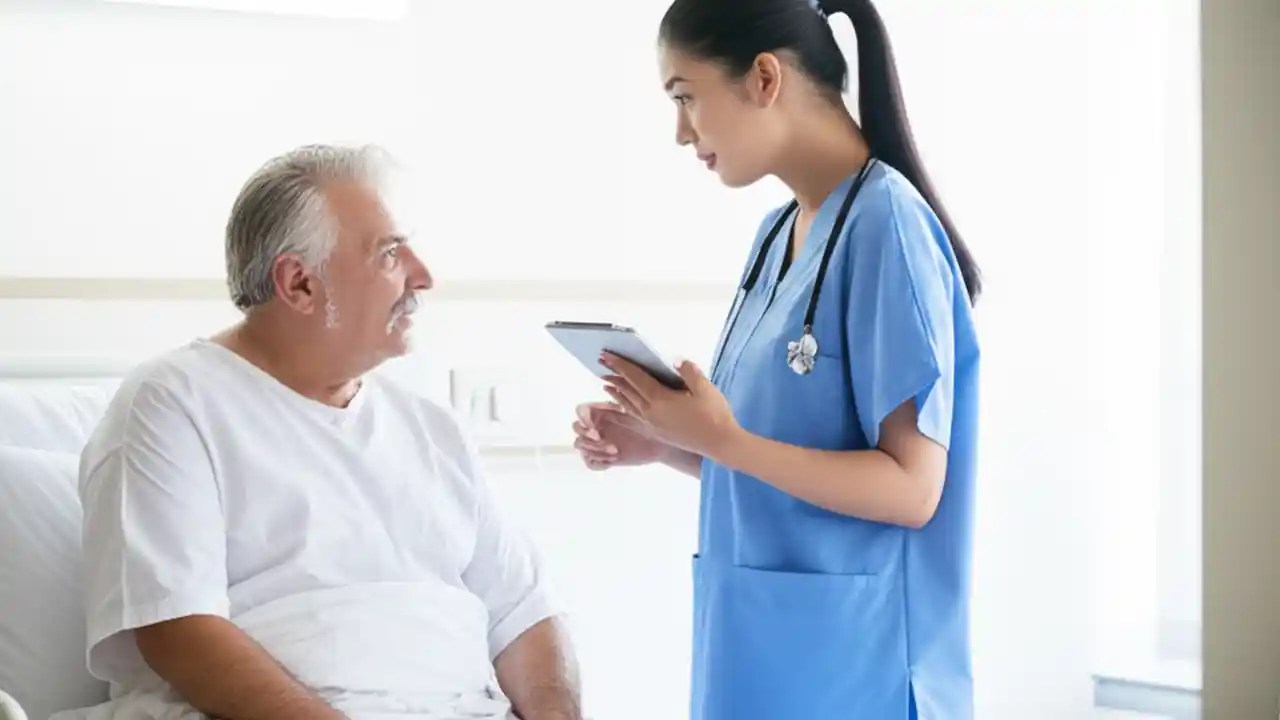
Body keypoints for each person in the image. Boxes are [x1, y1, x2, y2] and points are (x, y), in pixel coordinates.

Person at [63, 145, 582, 720]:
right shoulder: (171, 403)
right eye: (389, 254)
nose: (423, 276)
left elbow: (525, 612)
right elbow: (178, 629)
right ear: (299, 283)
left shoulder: (431, 427)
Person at [571, 0, 981, 718]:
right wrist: (669, 443)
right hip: (755, 653)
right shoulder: (777, 234)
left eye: (685, 97)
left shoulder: (889, 227)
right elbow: (780, 465)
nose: (680, 132)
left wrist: (720, 439)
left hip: (856, 670)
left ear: (764, 77)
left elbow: (912, 491)